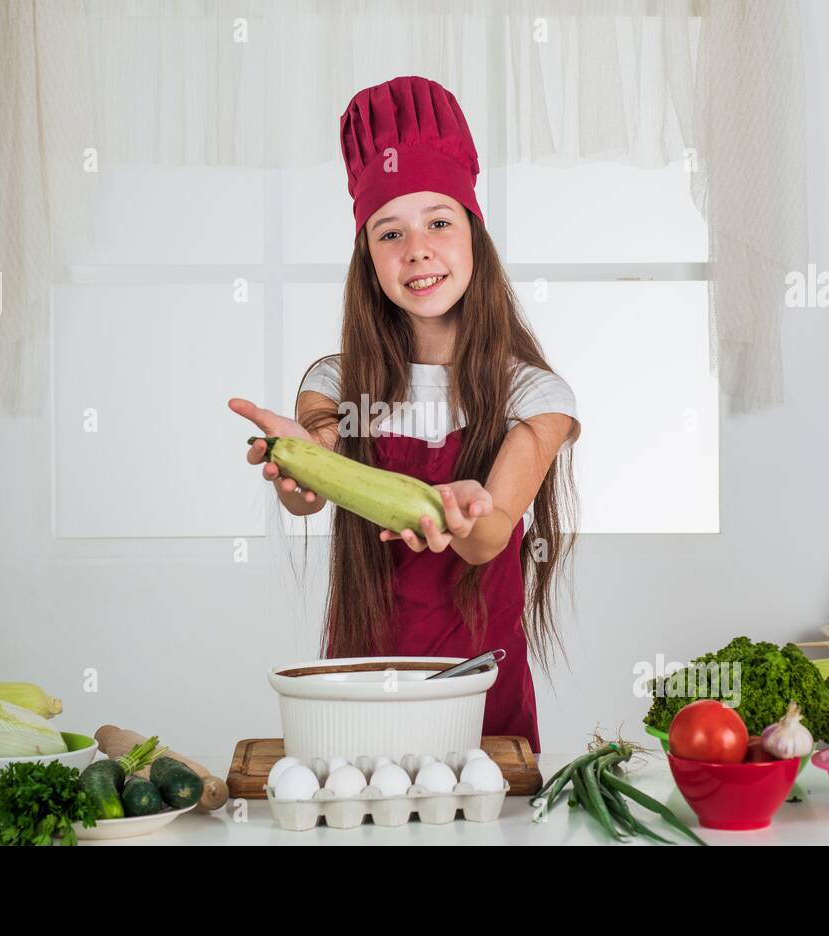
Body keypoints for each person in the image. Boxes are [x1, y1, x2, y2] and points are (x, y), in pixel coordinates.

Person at [230, 75, 579, 753]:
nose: (417, 249)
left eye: (439, 223)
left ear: (474, 236)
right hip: (359, 691)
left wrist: (465, 512)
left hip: (481, 694)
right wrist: (297, 466)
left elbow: (491, 535)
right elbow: (318, 479)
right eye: (390, 232)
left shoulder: (536, 397)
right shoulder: (334, 383)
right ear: (368, 259)